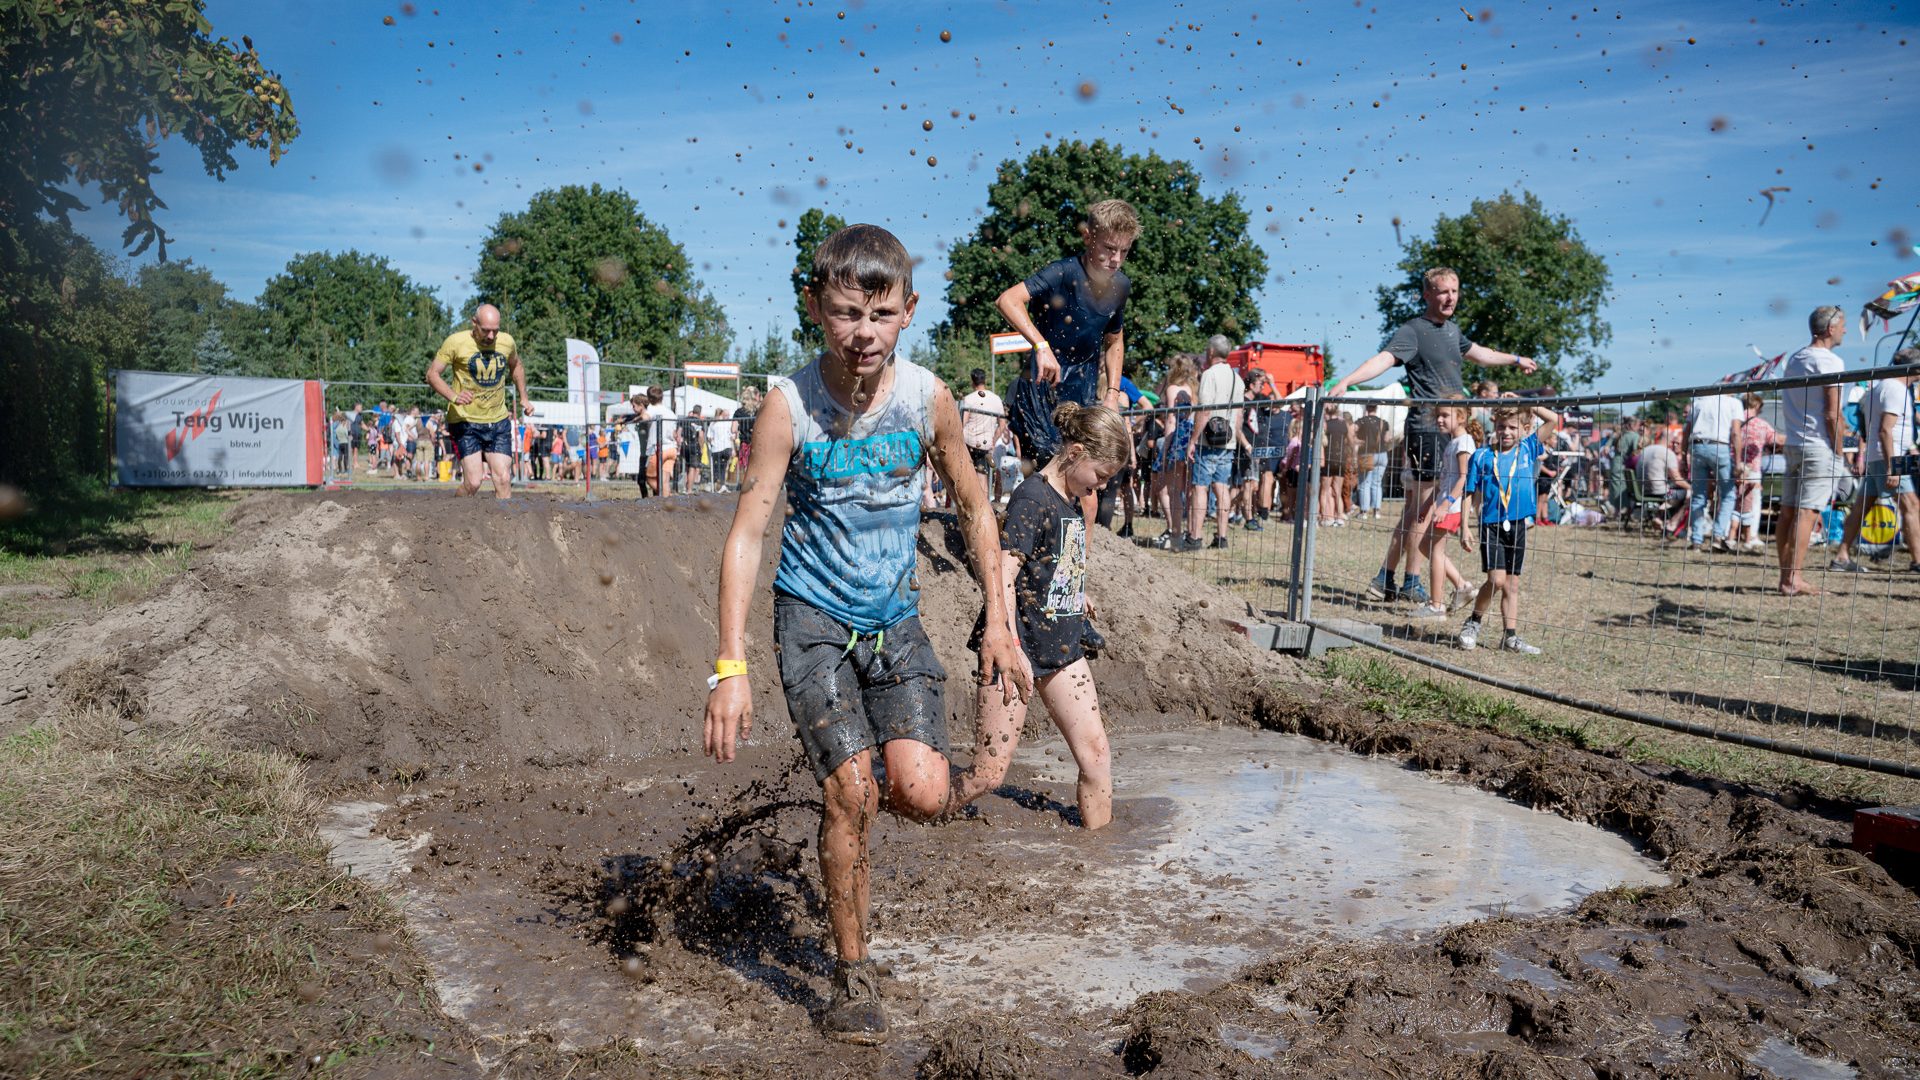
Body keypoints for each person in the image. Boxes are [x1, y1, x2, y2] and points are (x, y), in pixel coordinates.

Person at [702, 223, 1030, 1046]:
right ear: (817, 310)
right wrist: (729, 665)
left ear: (908, 311)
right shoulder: (789, 407)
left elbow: (975, 506)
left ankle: (983, 771)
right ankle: (852, 974)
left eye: (880, 315)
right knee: (852, 790)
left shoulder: (928, 400)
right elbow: (746, 534)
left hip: (895, 619)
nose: (863, 334)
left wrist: (1000, 616)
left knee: (918, 792)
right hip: (810, 618)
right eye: (847, 313)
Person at [949, 402, 1127, 830]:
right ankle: (919, 808)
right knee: (986, 777)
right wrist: (1010, 648)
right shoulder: (1032, 496)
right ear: (1075, 453)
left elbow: (1050, 561)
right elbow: (1005, 576)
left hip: (1064, 647)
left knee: (1096, 755)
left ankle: (1098, 853)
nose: (1100, 487)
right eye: (1100, 475)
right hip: (1018, 647)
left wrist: (1075, 592)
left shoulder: (1070, 497)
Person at [1329, 268, 1539, 604]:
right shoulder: (1413, 331)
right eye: (1443, 292)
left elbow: (1481, 354)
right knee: (1424, 512)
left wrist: (1515, 359)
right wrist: (1345, 382)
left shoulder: (1453, 331)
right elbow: (1383, 359)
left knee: (1415, 509)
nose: (1450, 297)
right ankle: (1412, 581)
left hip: (1448, 430)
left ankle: (1386, 577)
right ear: (1427, 294)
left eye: (1455, 291)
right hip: (1428, 430)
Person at [997, 199, 1137, 519]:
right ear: (1088, 237)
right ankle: (1026, 548)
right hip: (1040, 389)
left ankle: (1078, 563)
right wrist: (1041, 346)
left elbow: (1114, 339)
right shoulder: (1062, 272)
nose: (1116, 259)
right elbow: (1008, 300)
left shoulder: (1121, 287)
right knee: (1048, 477)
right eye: (1109, 248)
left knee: (1087, 484)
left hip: (1083, 390)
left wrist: (1113, 394)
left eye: (1124, 251)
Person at [1458, 402, 1561, 654]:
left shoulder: (1528, 448)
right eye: (1502, 426)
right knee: (1496, 580)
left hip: (1517, 525)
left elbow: (1553, 419)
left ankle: (1510, 637)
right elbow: (1468, 493)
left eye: (1513, 427)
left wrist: (1527, 404)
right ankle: (1473, 622)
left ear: (1525, 429)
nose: (1506, 432)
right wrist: (1464, 527)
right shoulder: (1481, 456)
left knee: (1512, 584)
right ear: (1495, 426)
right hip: (1491, 524)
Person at [1777, 306, 1852, 596]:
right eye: (1843, 324)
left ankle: (1786, 577)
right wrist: (1840, 452)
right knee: (1807, 513)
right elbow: (1832, 415)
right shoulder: (1830, 361)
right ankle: (1793, 579)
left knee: (1788, 512)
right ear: (1831, 328)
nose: (1845, 330)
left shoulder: (1796, 359)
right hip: (1818, 445)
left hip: (1794, 443)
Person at [427, 303, 534, 499]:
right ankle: (455, 515)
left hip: (497, 420)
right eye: (486, 330)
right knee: (473, 483)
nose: (491, 337)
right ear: (474, 323)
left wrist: (524, 398)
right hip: (465, 421)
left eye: (495, 331)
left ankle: (504, 526)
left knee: (502, 478)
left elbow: (516, 366)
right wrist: (454, 396)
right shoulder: (455, 342)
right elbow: (432, 374)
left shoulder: (507, 342)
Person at [1835, 348, 1920, 571]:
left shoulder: (1881, 386)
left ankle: (1841, 556)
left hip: (1877, 455)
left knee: (1861, 506)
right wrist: (1893, 467)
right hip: (1891, 457)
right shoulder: (1897, 389)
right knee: (1911, 505)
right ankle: (1918, 560)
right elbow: (1885, 430)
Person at [1413, 401, 1478, 618]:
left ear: (1461, 417)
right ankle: (1462, 587)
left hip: (1452, 507)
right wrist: (1427, 504)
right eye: (1437, 415)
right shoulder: (1452, 442)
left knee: (1435, 551)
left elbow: (1463, 479)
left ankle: (1436, 605)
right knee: (1425, 546)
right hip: (1444, 504)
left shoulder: (1465, 443)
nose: (1439, 420)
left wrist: (1445, 504)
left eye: (1444, 415)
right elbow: (1443, 481)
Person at [1186, 335, 1246, 550]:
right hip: (1227, 441)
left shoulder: (1210, 375)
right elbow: (1239, 416)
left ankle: (1195, 536)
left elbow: (1204, 410)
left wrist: (1193, 440)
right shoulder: (1236, 378)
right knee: (1222, 488)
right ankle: (1221, 537)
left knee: (1200, 488)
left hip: (1207, 440)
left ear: (1211, 352)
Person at [1685, 387, 1745, 552]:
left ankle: (1696, 540)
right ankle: (1718, 536)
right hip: (1720, 447)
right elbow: (1735, 433)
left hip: (1697, 447)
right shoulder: (1734, 403)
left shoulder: (1698, 402)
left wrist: (1685, 455)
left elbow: (1686, 430)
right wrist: (1739, 461)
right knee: (1727, 494)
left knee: (1698, 495)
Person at [1151, 355, 1199, 549]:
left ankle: (1176, 533)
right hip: (1190, 438)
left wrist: (1165, 449)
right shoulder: (1193, 389)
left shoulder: (1172, 389)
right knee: (1185, 489)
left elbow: (1171, 420)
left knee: (1172, 489)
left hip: (1177, 439)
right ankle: (1184, 532)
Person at [960, 367, 1006, 501]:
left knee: (966, 477)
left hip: (968, 442)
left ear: (972, 382)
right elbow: (1002, 425)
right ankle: (983, 507)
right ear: (984, 380)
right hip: (985, 444)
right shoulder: (996, 399)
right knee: (982, 477)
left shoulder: (968, 399)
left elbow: (962, 423)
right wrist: (993, 440)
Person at [1637, 428, 1690, 535]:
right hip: (1660, 492)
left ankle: (1662, 517)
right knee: (1686, 493)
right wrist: (1690, 487)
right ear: (1669, 441)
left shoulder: (1645, 450)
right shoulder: (1667, 453)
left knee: (1676, 491)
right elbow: (1677, 479)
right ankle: (1664, 518)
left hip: (1641, 490)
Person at [1354, 402, 1389, 520]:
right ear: (1376, 407)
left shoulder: (1362, 421)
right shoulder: (1383, 422)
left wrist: (1357, 440)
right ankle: (1376, 512)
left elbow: (1351, 430)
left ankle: (1364, 512)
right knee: (1377, 483)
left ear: (1366, 408)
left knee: (1364, 483)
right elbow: (1387, 438)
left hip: (1366, 453)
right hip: (1382, 454)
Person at [709, 408, 736, 492]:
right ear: (722, 415)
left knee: (717, 468)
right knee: (724, 467)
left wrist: (713, 443)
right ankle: (722, 485)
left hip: (716, 449)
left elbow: (709, 438)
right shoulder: (728, 423)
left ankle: (717, 485)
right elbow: (733, 436)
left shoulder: (713, 424)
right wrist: (733, 448)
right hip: (726, 448)